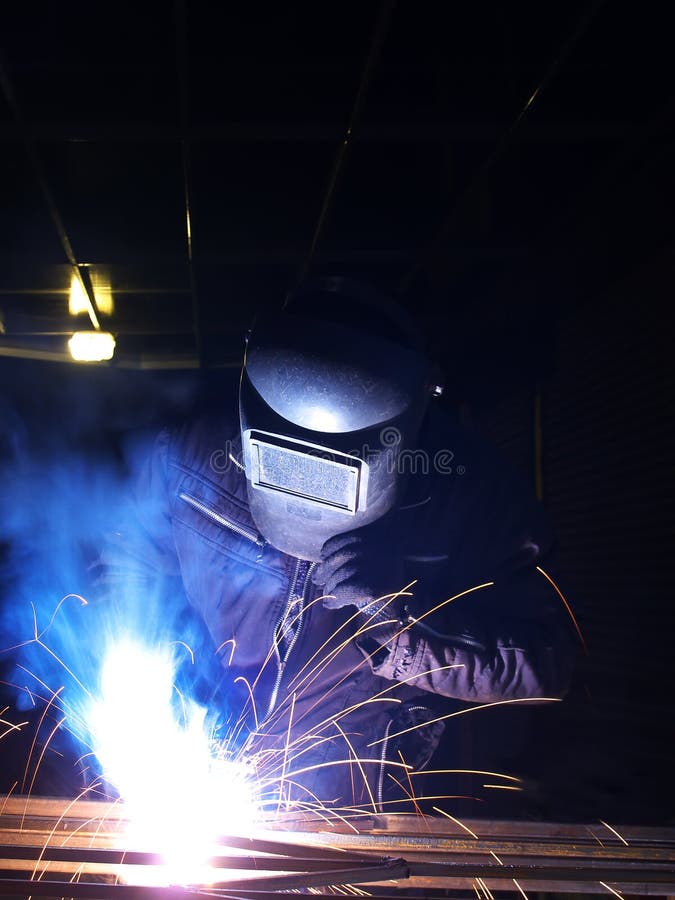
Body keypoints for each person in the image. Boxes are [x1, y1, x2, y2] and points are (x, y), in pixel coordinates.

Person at [98, 276, 576, 812]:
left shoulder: (477, 501)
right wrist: (152, 665)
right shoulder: (191, 453)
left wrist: (404, 623)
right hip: (210, 760)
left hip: (360, 802)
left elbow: (545, 666)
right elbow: (129, 556)